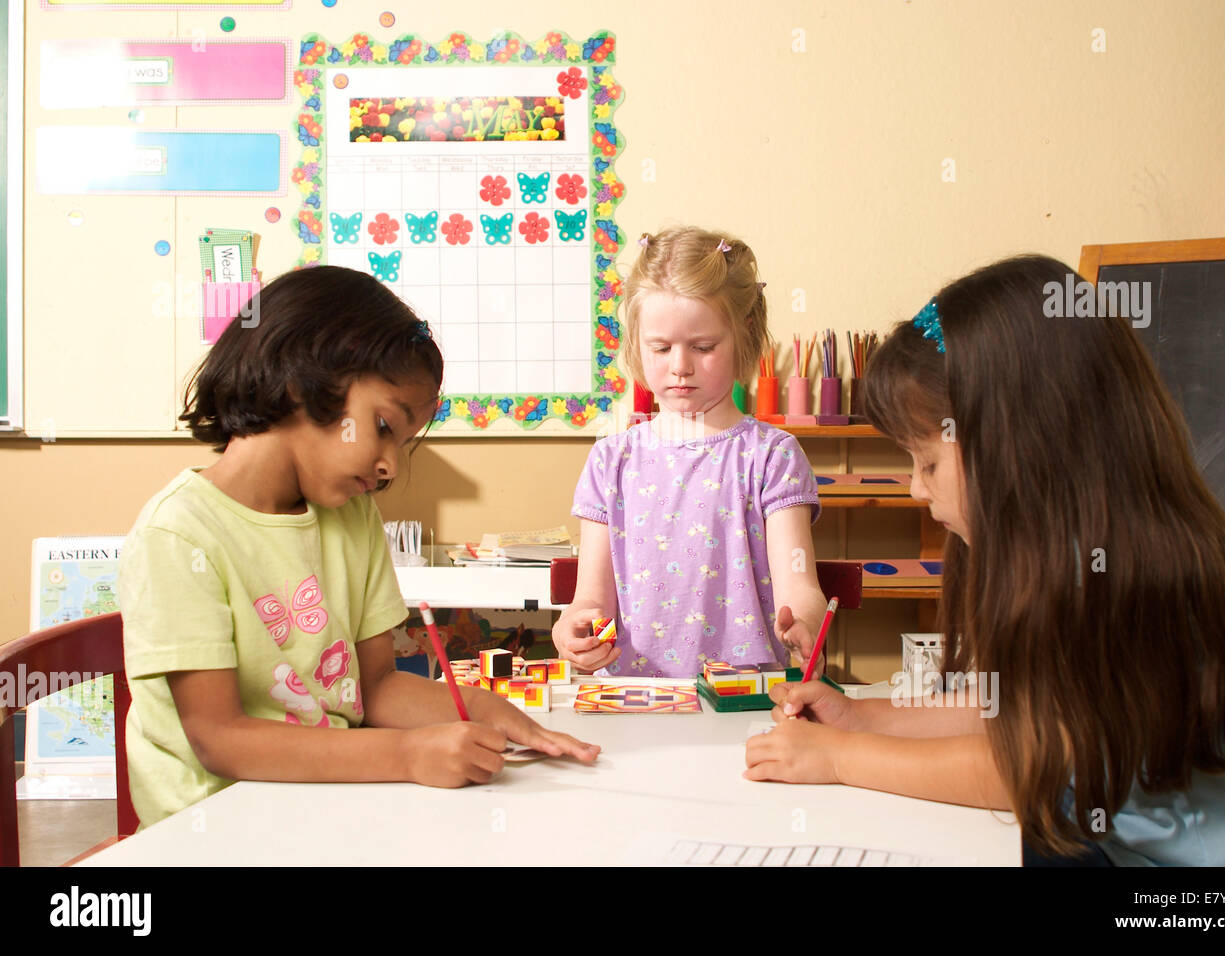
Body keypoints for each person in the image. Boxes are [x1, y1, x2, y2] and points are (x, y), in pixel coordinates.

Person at [744, 254, 1225, 866]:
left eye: (927, 462)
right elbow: (1009, 710)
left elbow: (1020, 767)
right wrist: (860, 715)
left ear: (1017, 448)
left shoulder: (1123, 581)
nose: (915, 489)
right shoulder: (1103, 549)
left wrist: (840, 760)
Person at [119, 265, 598, 828]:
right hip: (218, 833)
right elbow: (219, 739)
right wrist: (405, 755)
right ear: (303, 380)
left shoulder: (352, 519)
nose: (390, 465)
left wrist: (487, 708)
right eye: (384, 427)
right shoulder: (179, 534)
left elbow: (377, 688)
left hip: (326, 812)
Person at [553, 227, 827, 679]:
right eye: (660, 348)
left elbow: (798, 587)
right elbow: (592, 600)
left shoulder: (772, 456)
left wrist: (805, 622)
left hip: (744, 697)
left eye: (703, 347)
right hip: (633, 698)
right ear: (636, 346)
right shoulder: (610, 461)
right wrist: (573, 625)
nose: (680, 366)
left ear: (745, 337)